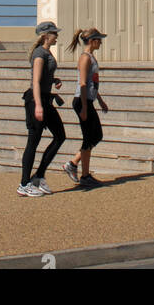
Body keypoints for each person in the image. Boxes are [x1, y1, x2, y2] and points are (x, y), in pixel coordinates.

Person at [17, 20, 66, 197]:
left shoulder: (46, 52)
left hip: (45, 99)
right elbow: (35, 82)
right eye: (54, 33)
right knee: (33, 141)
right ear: (46, 35)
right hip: (36, 100)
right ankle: (24, 184)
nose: (57, 36)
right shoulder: (39, 53)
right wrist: (38, 105)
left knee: (60, 136)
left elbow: (43, 78)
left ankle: (38, 176)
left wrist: (53, 80)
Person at [63, 28, 108, 187]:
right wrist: (83, 107)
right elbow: (82, 83)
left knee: (95, 136)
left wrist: (99, 100)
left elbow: (92, 83)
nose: (101, 42)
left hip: (87, 100)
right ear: (92, 41)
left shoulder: (91, 57)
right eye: (99, 39)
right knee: (90, 137)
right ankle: (82, 172)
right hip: (82, 101)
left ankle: (76, 166)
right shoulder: (85, 58)